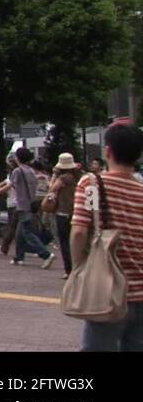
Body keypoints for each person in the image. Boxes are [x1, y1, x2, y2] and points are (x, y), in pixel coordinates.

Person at [72, 124, 143, 351]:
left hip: (107, 289)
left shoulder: (92, 184)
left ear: (108, 151)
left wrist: (77, 268)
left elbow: (80, 230)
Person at [50, 153, 82, 280]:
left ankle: (69, 270)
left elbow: (52, 188)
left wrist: (54, 175)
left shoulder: (63, 178)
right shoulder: (78, 176)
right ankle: (77, 268)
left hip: (63, 213)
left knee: (64, 243)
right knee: (74, 242)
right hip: (76, 212)